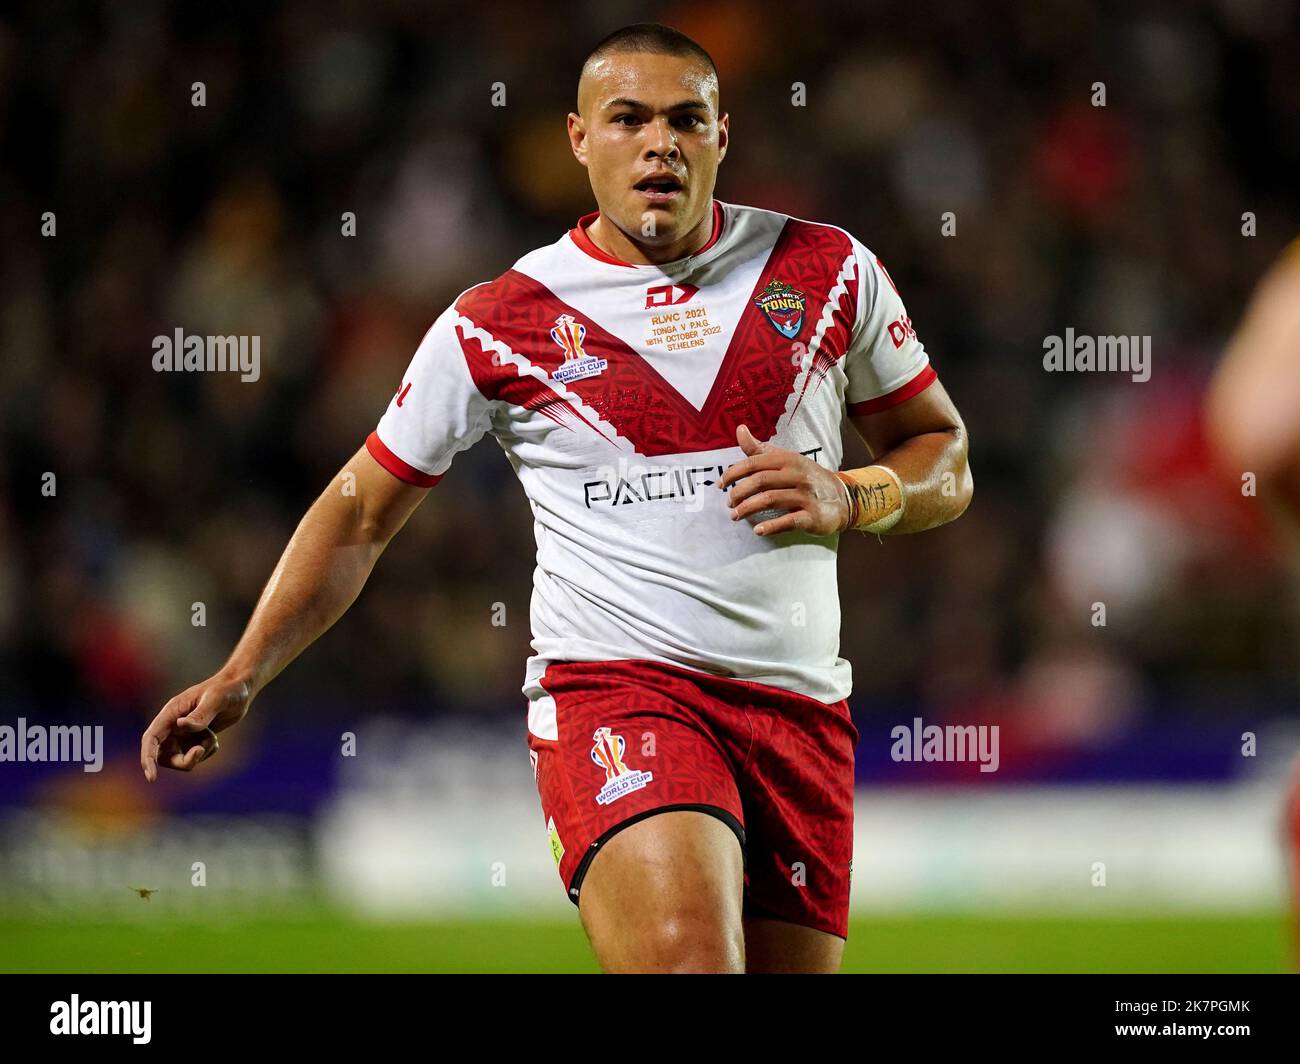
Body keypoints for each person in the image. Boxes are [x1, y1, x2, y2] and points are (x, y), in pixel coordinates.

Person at [140, 22, 973, 973]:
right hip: (619, 693)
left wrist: (850, 491)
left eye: (685, 120)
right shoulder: (500, 322)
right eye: (628, 119)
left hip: (802, 711)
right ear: (579, 138)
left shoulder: (825, 270)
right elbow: (360, 510)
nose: (659, 142)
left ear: (723, 136)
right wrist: (242, 672)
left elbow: (941, 455)